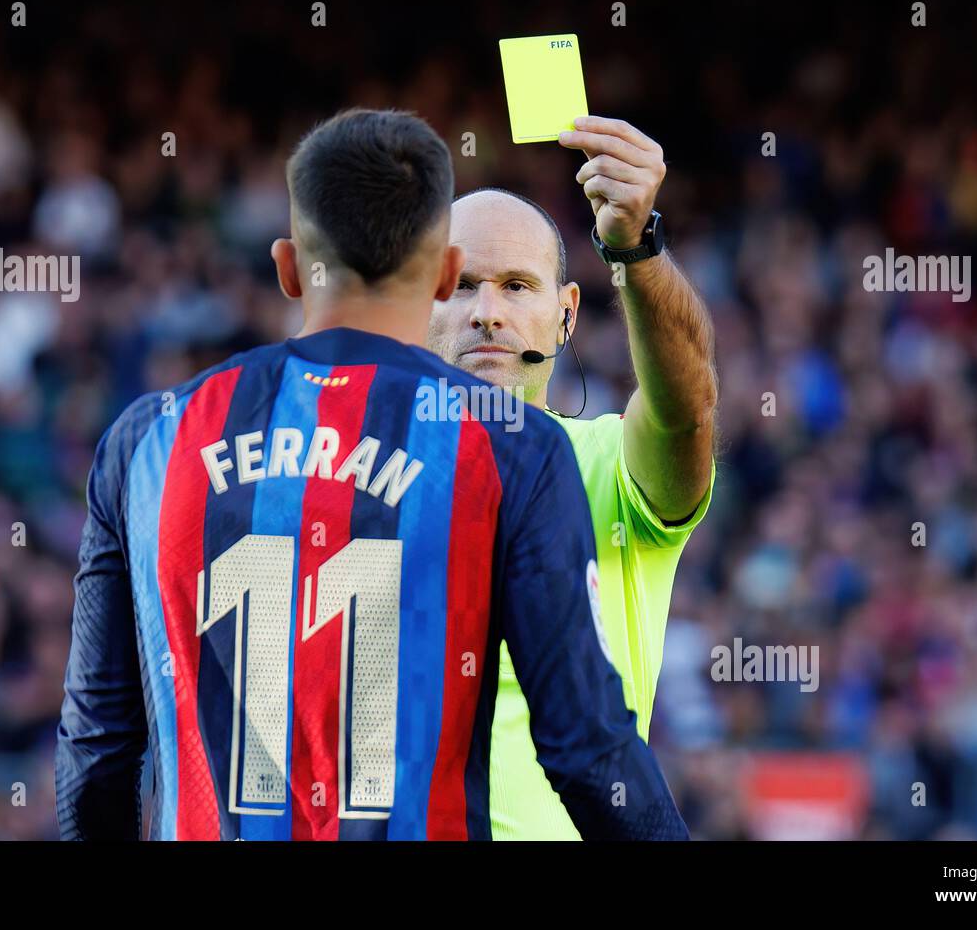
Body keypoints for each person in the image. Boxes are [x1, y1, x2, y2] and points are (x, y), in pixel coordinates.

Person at [55, 108, 687, 840]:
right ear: (443, 274)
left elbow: (96, 751)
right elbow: (589, 752)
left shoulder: (148, 442)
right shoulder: (510, 446)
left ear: (288, 267)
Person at [426, 115, 718, 839]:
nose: (487, 314)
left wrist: (635, 248)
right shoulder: (353, 476)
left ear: (566, 315)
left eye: (517, 286)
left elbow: (686, 414)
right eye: (460, 286)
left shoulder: (606, 464)